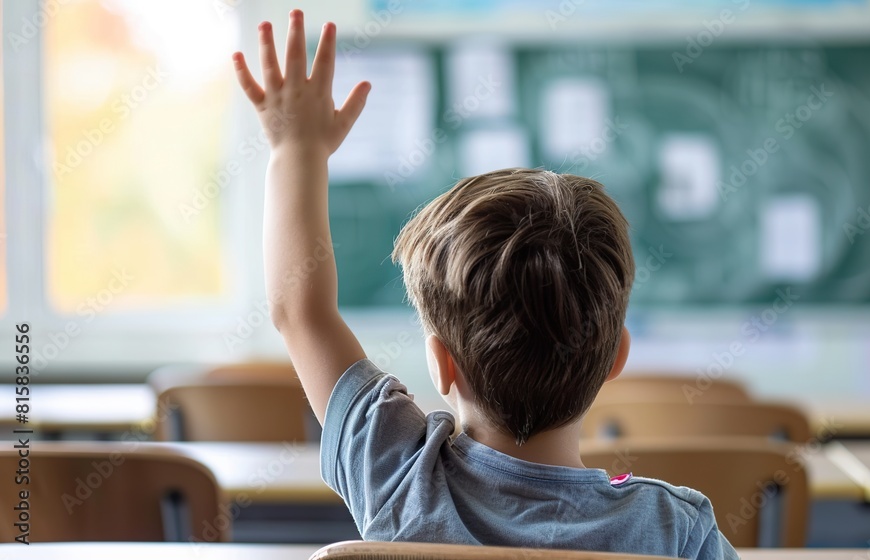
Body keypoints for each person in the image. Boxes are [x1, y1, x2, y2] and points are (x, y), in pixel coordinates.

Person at [232, 10, 739, 558]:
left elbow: (300, 311)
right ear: (616, 357)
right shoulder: (672, 530)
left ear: (441, 362)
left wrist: (294, 150)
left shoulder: (398, 475)